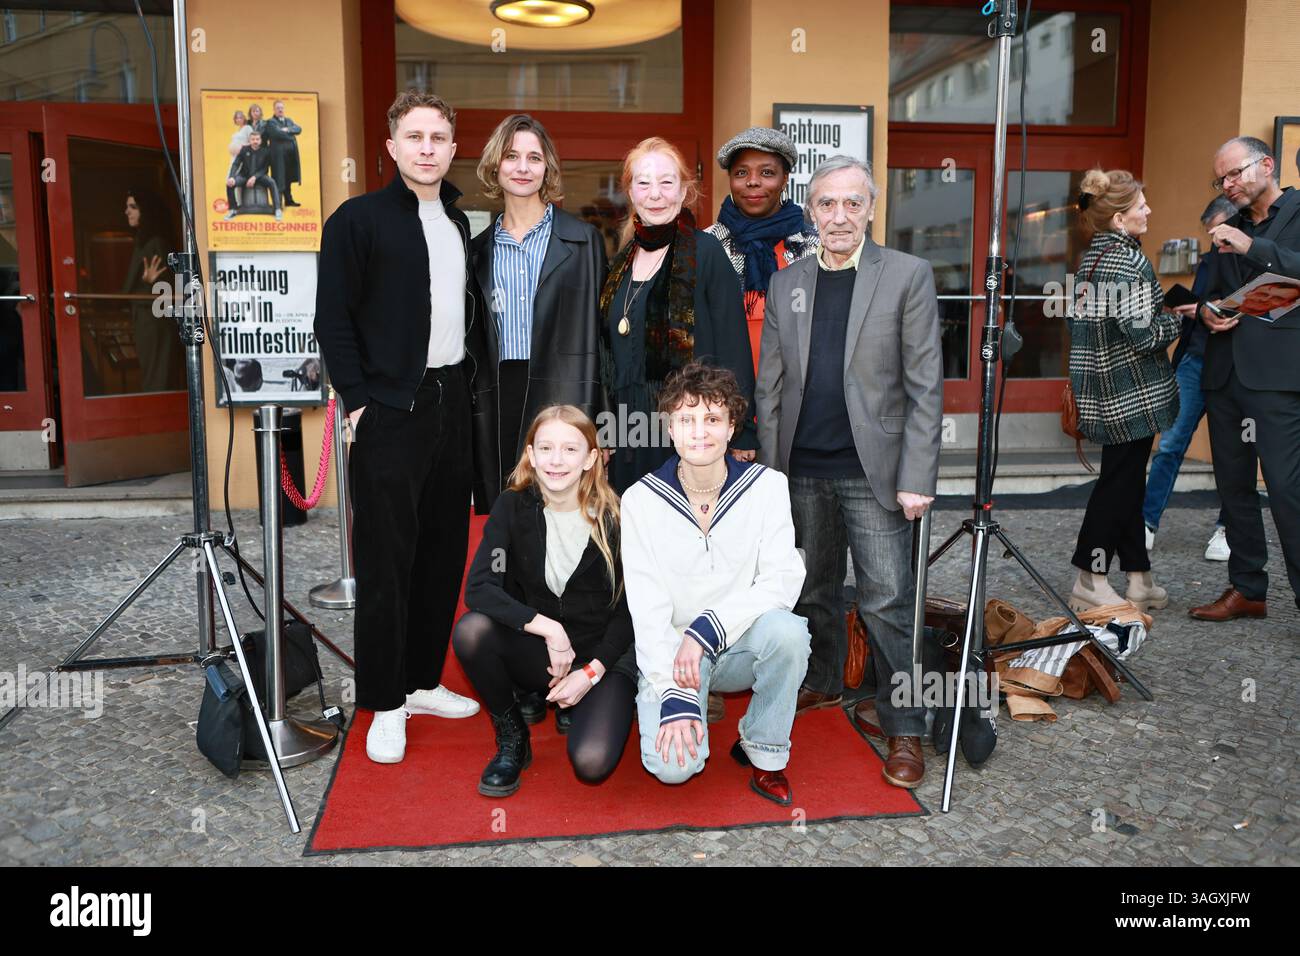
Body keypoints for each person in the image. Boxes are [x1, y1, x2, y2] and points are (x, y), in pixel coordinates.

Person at [755, 155, 943, 790]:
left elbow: (926, 386)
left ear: (871, 209)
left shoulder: (907, 275)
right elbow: (770, 386)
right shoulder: (787, 282)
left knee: (888, 600)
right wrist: (768, 475)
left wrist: (918, 474)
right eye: (827, 204)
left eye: (852, 203)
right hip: (800, 468)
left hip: (877, 472)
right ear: (811, 211)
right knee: (813, 590)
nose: (839, 216)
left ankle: (905, 724)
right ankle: (825, 679)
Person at [314, 90, 488, 764]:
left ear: (452, 149)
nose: (426, 148)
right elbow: (333, 319)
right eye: (414, 137)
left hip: (451, 399)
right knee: (386, 561)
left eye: (438, 138)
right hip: (389, 406)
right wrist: (359, 402)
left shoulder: (459, 222)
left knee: (443, 551)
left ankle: (420, 681)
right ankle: (384, 702)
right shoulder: (357, 220)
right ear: (391, 146)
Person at [621, 362, 809, 806]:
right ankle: (682, 701)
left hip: (741, 641)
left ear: (730, 427)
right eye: (686, 419)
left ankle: (764, 750)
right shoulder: (639, 500)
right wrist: (672, 688)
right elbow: (646, 608)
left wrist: (708, 628)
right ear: (670, 429)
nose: (699, 432)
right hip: (674, 652)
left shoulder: (768, 487)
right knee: (673, 769)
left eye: (712, 418)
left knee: (789, 634)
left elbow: (782, 579)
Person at [453, 405, 637, 796]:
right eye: (546, 448)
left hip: (601, 657)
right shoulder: (512, 506)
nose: (556, 460)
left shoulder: (618, 516)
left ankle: (582, 700)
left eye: (570, 449)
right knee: (471, 632)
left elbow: (630, 610)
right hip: (542, 652)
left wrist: (591, 672)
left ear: (590, 458)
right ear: (531, 455)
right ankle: (513, 735)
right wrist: (549, 629)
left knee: (591, 763)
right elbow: (480, 587)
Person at [600, 137, 757, 493]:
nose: (655, 194)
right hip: (628, 431)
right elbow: (609, 354)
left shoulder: (706, 252)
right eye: (644, 183)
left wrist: (742, 431)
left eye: (666, 182)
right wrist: (606, 431)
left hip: (689, 429)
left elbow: (733, 345)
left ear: (684, 191)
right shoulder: (621, 261)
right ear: (631, 193)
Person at [1186, 136, 1300, 621]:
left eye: (1235, 173)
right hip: (1224, 373)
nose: (1228, 184)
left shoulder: (1297, 212)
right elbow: (1213, 292)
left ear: (1267, 164)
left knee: (1287, 491)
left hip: (1276, 378)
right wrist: (1206, 312)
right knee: (1233, 488)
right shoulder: (1227, 226)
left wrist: (1251, 245)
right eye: (1221, 179)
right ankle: (1248, 588)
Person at [470, 113, 609, 512]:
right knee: (510, 513)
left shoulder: (583, 241)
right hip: (500, 393)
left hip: (565, 390)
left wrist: (604, 423)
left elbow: (601, 337)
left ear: (547, 167)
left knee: (566, 511)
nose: (523, 167)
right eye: (512, 156)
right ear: (496, 165)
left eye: (534, 158)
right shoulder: (477, 251)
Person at [1065, 168, 1181, 614]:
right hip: (1131, 392)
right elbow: (1143, 334)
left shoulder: (1092, 258)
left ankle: (1138, 577)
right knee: (1117, 484)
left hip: (1103, 389)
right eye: (1140, 205)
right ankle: (1090, 578)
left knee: (1127, 480)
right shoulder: (1127, 261)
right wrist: (1179, 319)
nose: (1148, 209)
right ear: (1118, 218)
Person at [1143, 195, 1235, 561]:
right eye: (1209, 233)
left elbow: (1245, 309)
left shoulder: (1254, 260)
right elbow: (1203, 305)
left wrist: (1202, 309)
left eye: (1218, 231)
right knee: (1170, 445)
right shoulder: (1209, 260)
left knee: (1232, 453)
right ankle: (1145, 523)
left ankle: (1227, 529)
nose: (1213, 239)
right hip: (1195, 361)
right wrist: (1187, 310)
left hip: (1234, 367)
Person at [705, 126, 818, 359]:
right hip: (722, 378)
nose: (753, 181)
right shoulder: (707, 246)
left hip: (796, 380)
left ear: (785, 179)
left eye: (767, 173)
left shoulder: (814, 248)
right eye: (741, 173)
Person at [122, 190, 182, 393]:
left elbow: (168, 284)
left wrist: (149, 282)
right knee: (155, 374)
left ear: (146, 211)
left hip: (154, 322)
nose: (127, 212)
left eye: (133, 207)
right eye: (127, 207)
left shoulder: (155, 243)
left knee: (156, 377)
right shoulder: (145, 241)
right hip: (150, 320)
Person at [224, 130, 281, 220]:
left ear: (260, 140)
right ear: (249, 141)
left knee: (272, 182)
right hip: (244, 176)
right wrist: (231, 177)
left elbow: (265, 168)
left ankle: (277, 209)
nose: (255, 141)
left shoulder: (266, 151)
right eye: (253, 139)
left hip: (260, 176)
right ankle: (233, 209)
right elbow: (236, 164)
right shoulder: (244, 149)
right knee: (229, 184)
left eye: (257, 139)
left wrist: (254, 177)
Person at [264, 100, 303, 207]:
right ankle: (278, 203)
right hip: (278, 157)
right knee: (278, 178)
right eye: (278, 108)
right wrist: (291, 135)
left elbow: (299, 129)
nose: (280, 110)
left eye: (281, 108)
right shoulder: (270, 122)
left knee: (288, 178)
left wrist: (288, 129)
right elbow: (277, 134)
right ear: (274, 110)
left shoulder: (289, 120)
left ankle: (288, 200)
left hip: (290, 156)